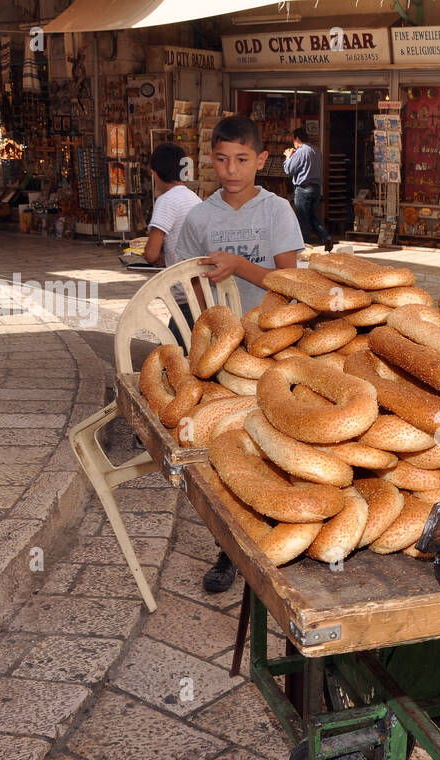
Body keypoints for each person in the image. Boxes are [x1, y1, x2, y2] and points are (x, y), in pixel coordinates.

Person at [173, 115, 304, 592]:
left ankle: (282, 534)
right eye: (223, 159)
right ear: (211, 160)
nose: (232, 169)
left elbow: (290, 282)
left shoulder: (277, 212)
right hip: (222, 353)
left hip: (271, 343)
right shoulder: (199, 218)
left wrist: (240, 266)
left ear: (261, 161)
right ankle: (228, 549)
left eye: (243, 160)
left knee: (271, 444)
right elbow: (184, 283)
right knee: (223, 451)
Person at [143, 142, 201, 268]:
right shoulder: (195, 198)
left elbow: (151, 254)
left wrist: (150, 255)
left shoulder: (165, 201)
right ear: (185, 172)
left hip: (180, 280)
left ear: (154, 174)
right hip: (197, 274)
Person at [282, 126, 332, 250]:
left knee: (303, 218)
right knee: (310, 216)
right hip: (316, 189)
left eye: (293, 140)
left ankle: (305, 245)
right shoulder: (316, 150)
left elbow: (289, 169)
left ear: (297, 139)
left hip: (303, 188)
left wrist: (288, 157)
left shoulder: (301, 152)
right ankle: (326, 237)